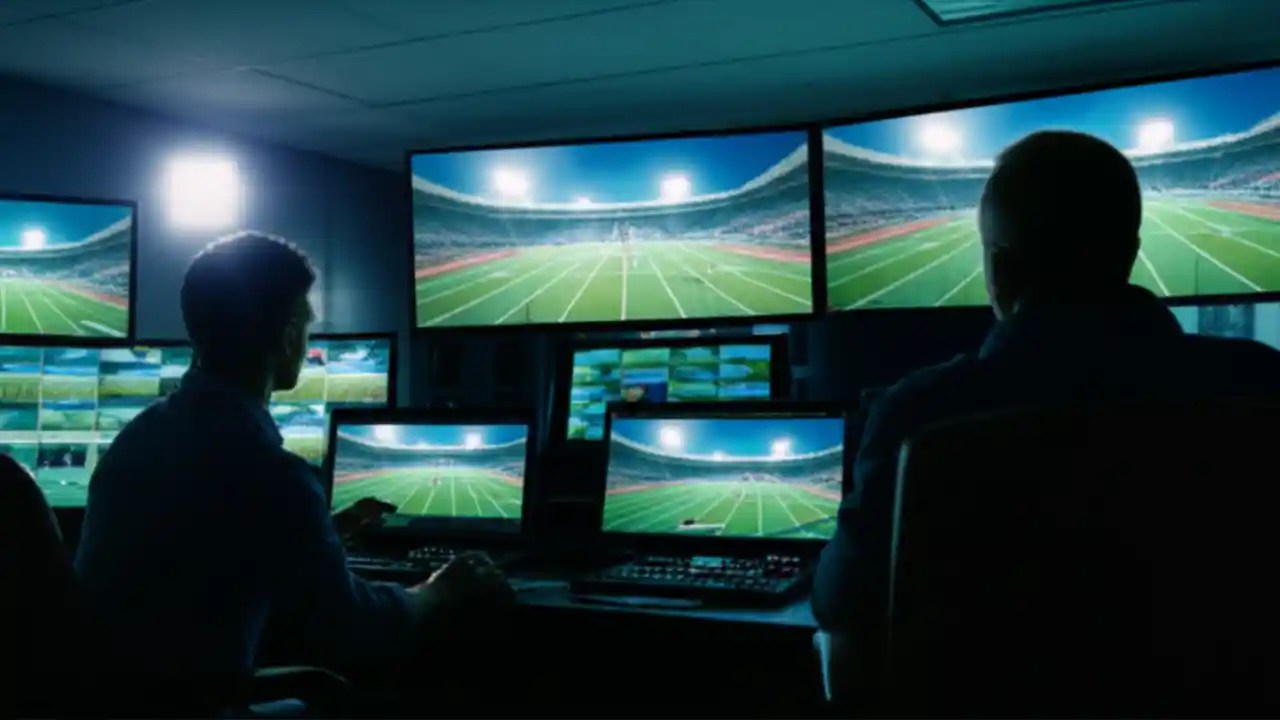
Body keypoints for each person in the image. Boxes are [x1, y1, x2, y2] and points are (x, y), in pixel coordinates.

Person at [811, 131, 1280, 650]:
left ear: (1001, 268)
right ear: (1132, 253)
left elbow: (839, 602)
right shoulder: (1258, 383)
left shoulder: (914, 412)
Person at [75, 232, 512, 710]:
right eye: (306, 323)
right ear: (286, 335)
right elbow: (353, 630)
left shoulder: (137, 439)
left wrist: (320, 534)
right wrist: (441, 590)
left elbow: (208, 556)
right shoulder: (271, 472)